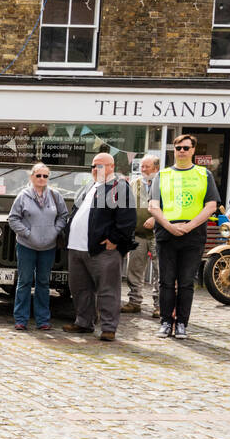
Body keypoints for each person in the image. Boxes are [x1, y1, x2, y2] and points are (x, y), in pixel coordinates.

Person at [147, 134, 220, 340]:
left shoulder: (204, 175)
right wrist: (170, 226)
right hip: (166, 233)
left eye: (186, 148)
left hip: (193, 234)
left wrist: (189, 226)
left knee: (187, 282)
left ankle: (181, 323)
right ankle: (165, 321)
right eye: (178, 147)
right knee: (166, 281)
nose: (181, 151)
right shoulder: (163, 175)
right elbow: (153, 206)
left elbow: (211, 206)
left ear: (193, 150)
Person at [63, 153, 136, 341]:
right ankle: (83, 322)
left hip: (103, 250)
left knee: (107, 290)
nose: (95, 170)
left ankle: (108, 328)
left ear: (111, 167)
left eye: (100, 166)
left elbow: (127, 218)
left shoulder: (119, 187)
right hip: (77, 247)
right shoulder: (89, 186)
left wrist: (115, 239)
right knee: (80, 288)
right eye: (93, 167)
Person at [7, 162, 68, 330]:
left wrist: (55, 231)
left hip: (48, 247)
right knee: (24, 281)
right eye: (38, 175)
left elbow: (63, 215)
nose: (42, 179)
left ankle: (43, 320)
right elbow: (13, 218)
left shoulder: (56, 196)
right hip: (26, 245)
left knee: (43, 282)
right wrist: (27, 233)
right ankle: (21, 319)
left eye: (45, 176)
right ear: (32, 177)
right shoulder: (23, 195)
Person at [125, 153, 161, 317]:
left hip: (158, 234)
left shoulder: (164, 184)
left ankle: (159, 305)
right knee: (134, 269)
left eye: (147, 167)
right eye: (142, 167)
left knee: (160, 271)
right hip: (138, 233)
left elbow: (171, 207)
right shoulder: (134, 183)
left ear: (156, 168)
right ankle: (134, 302)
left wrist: (156, 218)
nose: (143, 169)